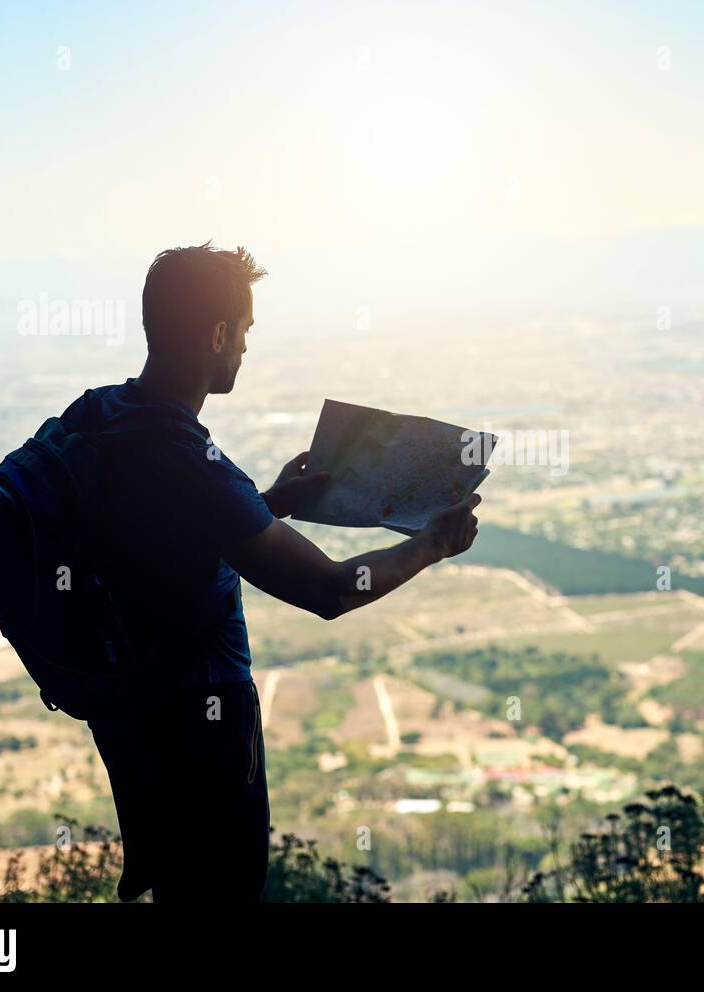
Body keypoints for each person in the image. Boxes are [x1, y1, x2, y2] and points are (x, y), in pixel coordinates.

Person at [58, 242, 479, 902]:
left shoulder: (101, 415)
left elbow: (159, 535)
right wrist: (432, 543)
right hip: (203, 722)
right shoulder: (193, 464)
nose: (247, 349)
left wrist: (270, 504)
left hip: (134, 716)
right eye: (246, 331)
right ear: (219, 333)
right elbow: (331, 591)